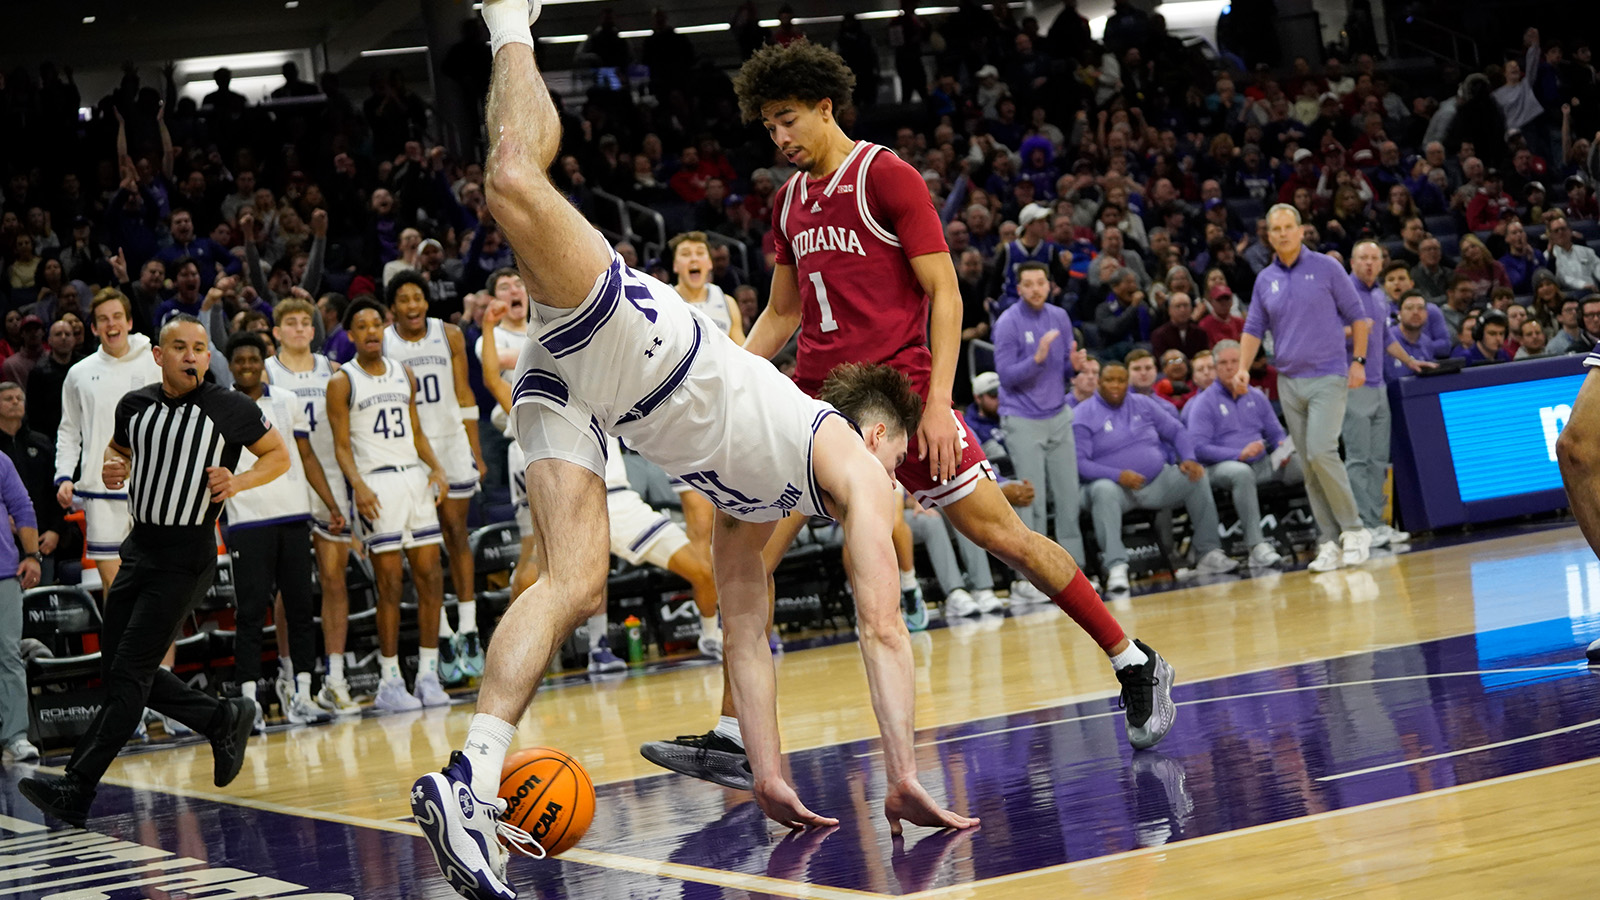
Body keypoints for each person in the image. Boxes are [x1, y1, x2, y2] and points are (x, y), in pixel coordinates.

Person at [412, 19, 983, 897]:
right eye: (898, 457)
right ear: (878, 435)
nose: (897, 481)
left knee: (575, 584)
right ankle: (508, 21)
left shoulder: (749, 510)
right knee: (514, 180)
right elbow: (882, 627)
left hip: (583, 390)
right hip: (645, 349)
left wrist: (768, 773)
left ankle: (472, 776)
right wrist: (903, 774)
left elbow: (746, 637)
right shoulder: (857, 462)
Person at [646, 36, 1177, 786]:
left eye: (788, 119)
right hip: (815, 407)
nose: (779, 136)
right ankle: (736, 734)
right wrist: (724, 373)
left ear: (825, 107)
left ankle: (1132, 658)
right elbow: (783, 311)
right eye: (768, 126)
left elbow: (945, 293)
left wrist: (938, 403)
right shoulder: (789, 200)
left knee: (1005, 538)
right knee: (750, 561)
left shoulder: (885, 176)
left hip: (897, 401)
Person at [20, 314, 285, 828]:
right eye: (180, 347)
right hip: (139, 546)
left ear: (207, 357)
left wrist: (238, 481)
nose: (191, 356)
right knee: (117, 672)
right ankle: (220, 717)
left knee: (129, 676)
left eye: (200, 348)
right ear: (159, 356)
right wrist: (112, 466)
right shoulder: (134, 405)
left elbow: (278, 455)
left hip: (186, 556)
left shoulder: (230, 407)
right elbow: (117, 451)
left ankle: (77, 787)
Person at [477, 298, 718, 673]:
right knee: (541, 579)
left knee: (702, 570)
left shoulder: (604, 385)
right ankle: (554, 654)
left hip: (622, 502)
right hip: (576, 506)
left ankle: (712, 638)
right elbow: (493, 378)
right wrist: (488, 328)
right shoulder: (538, 403)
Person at [327, 299, 452, 711]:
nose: (371, 331)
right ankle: (390, 680)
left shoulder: (404, 373)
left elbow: (416, 431)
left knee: (431, 578)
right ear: (350, 335)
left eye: (376, 324)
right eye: (361, 326)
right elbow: (341, 446)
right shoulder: (342, 381)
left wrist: (436, 468)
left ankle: (429, 676)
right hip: (377, 484)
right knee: (390, 584)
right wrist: (358, 486)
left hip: (414, 478)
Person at [1234, 204, 1372, 573]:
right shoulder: (1265, 279)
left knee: (1322, 451)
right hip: (1289, 381)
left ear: (1300, 230)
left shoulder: (1327, 267)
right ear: (1269, 236)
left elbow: (1358, 317)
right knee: (1309, 466)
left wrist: (1358, 361)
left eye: (1288, 227)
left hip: (1328, 375)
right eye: (1275, 229)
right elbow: (1253, 328)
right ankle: (1329, 541)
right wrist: (1243, 368)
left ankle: (1355, 531)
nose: (1282, 234)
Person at [223, 333, 339, 731]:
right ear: (230, 365)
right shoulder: (220, 406)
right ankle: (249, 703)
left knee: (301, 608)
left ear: (265, 361)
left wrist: (330, 504)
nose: (247, 366)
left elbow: (306, 455)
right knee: (251, 613)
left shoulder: (288, 401)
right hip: (246, 519)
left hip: (293, 515)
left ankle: (302, 693)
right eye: (240, 360)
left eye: (253, 359)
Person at [383, 272, 487, 680]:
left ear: (427, 302)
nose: (412, 305)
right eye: (404, 299)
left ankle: (470, 627)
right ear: (393, 308)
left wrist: (475, 450)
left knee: (456, 534)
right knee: (426, 546)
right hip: (411, 449)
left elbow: (464, 393)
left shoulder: (450, 334)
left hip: (450, 442)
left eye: (418, 298)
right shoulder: (385, 342)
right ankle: (442, 632)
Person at [265, 298, 361, 714]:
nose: (301, 329)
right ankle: (289, 676)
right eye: (292, 322)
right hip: (285, 483)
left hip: (331, 480)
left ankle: (335, 679)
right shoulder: (266, 372)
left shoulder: (333, 370)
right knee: (290, 587)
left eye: (306, 322)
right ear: (277, 332)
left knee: (334, 580)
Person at [1075, 362, 1239, 593]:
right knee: (1103, 489)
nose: (1116, 385)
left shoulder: (1143, 404)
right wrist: (1117, 475)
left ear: (1127, 383)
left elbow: (1177, 431)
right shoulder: (1082, 414)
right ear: (1099, 382)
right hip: (1114, 489)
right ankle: (1116, 567)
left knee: (1194, 477)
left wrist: (1189, 458)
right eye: (1110, 380)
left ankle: (1208, 553)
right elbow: (1080, 464)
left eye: (1121, 380)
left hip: (1155, 481)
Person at [57, 289, 161, 587]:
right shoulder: (78, 373)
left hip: (153, 487)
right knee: (114, 587)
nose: (111, 324)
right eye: (103, 319)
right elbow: (69, 429)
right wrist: (64, 475)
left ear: (129, 322)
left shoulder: (156, 363)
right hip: (100, 490)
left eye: (117, 316)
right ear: (93, 327)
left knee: (160, 583)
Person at [992, 262, 1088, 563]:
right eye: (1028, 284)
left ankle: (1074, 569)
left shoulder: (1059, 316)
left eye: (1040, 283)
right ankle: (1032, 571)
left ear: (1049, 285)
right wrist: (1036, 359)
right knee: (1032, 499)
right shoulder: (1008, 322)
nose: (1035, 289)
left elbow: (1063, 370)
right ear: (1019, 289)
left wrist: (1074, 366)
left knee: (1069, 496)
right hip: (1022, 418)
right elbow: (1005, 376)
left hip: (1058, 415)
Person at [1186, 340, 1299, 568]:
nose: (1229, 367)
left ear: (1243, 365)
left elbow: (1276, 432)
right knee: (1241, 473)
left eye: (1234, 362)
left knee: (1305, 464)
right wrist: (1238, 453)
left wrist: (1282, 447)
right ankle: (1256, 547)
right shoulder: (1203, 403)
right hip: (1220, 468)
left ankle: (1327, 535)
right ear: (1216, 368)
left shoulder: (1256, 396)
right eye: (1223, 363)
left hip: (1262, 463)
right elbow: (1199, 448)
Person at [1345, 241, 1409, 549]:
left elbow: (1385, 337)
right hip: (1352, 385)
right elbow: (1322, 335)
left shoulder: (1379, 295)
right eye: (1363, 258)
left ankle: (1378, 524)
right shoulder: (1342, 292)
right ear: (1352, 262)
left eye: (1374, 258)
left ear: (1381, 263)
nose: (1369, 263)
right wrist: (1355, 330)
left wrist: (1412, 361)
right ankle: (1363, 525)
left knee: (1379, 460)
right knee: (1358, 459)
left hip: (1379, 385)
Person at [0, 442, 41, 764]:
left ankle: (15, 737)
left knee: (8, 654)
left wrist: (31, 555)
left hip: (3, 572)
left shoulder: (0, 461)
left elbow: (22, 507)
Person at [1386, 291, 1450, 382]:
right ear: (1399, 314)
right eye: (1409, 308)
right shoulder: (1387, 339)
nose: (1415, 312)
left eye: (1420, 308)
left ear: (1426, 314)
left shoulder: (1427, 343)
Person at [1150, 291, 1211, 361]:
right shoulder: (1159, 335)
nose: (1182, 310)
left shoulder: (1200, 333)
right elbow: (1161, 361)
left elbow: (1205, 357)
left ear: (1191, 309)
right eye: (1178, 306)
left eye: (1185, 305)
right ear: (1169, 310)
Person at [1547, 217, 1600, 292]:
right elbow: (1562, 278)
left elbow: (1598, 267)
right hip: (1568, 294)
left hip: (1592, 292)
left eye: (1563, 229)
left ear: (1570, 231)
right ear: (1551, 235)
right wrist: (1583, 285)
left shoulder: (1586, 251)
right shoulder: (1549, 256)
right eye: (1556, 231)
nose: (1560, 232)